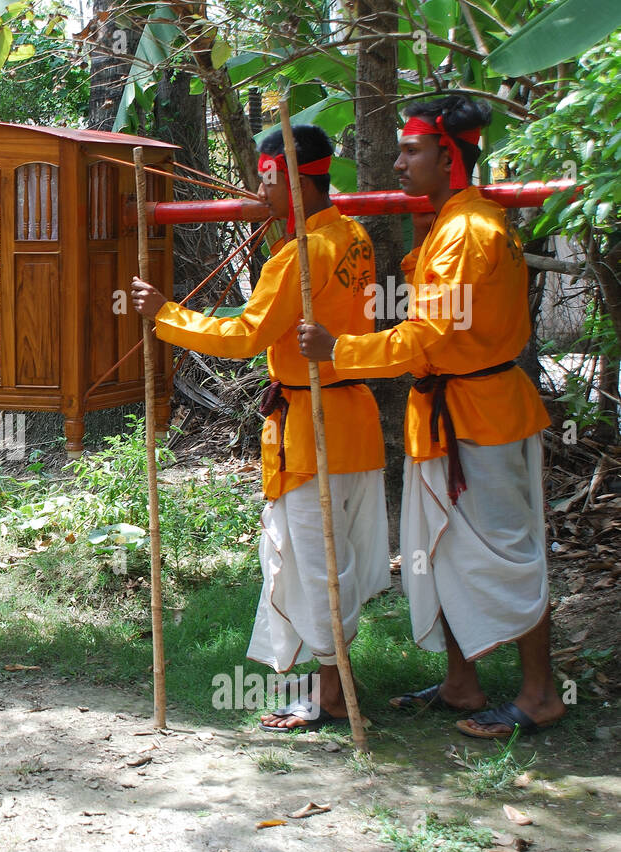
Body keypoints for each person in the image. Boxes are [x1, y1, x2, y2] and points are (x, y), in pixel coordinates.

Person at [298, 94, 560, 739]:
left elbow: (428, 336)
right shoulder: (451, 224)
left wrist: (342, 351)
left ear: (450, 155)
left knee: (508, 552)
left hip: (483, 415)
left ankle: (540, 694)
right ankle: (461, 683)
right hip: (446, 412)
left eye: (410, 150)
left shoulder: (470, 232)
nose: (397, 161)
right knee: (436, 552)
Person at [132, 124, 389, 731]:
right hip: (350, 421)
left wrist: (163, 314)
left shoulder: (300, 255)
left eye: (268, 181)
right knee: (331, 558)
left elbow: (246, 336)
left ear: (297, 180)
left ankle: (329, 694)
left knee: (311, 564)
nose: (260, 192)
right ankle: (326, 686)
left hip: (312, 430)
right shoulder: (353, 237)